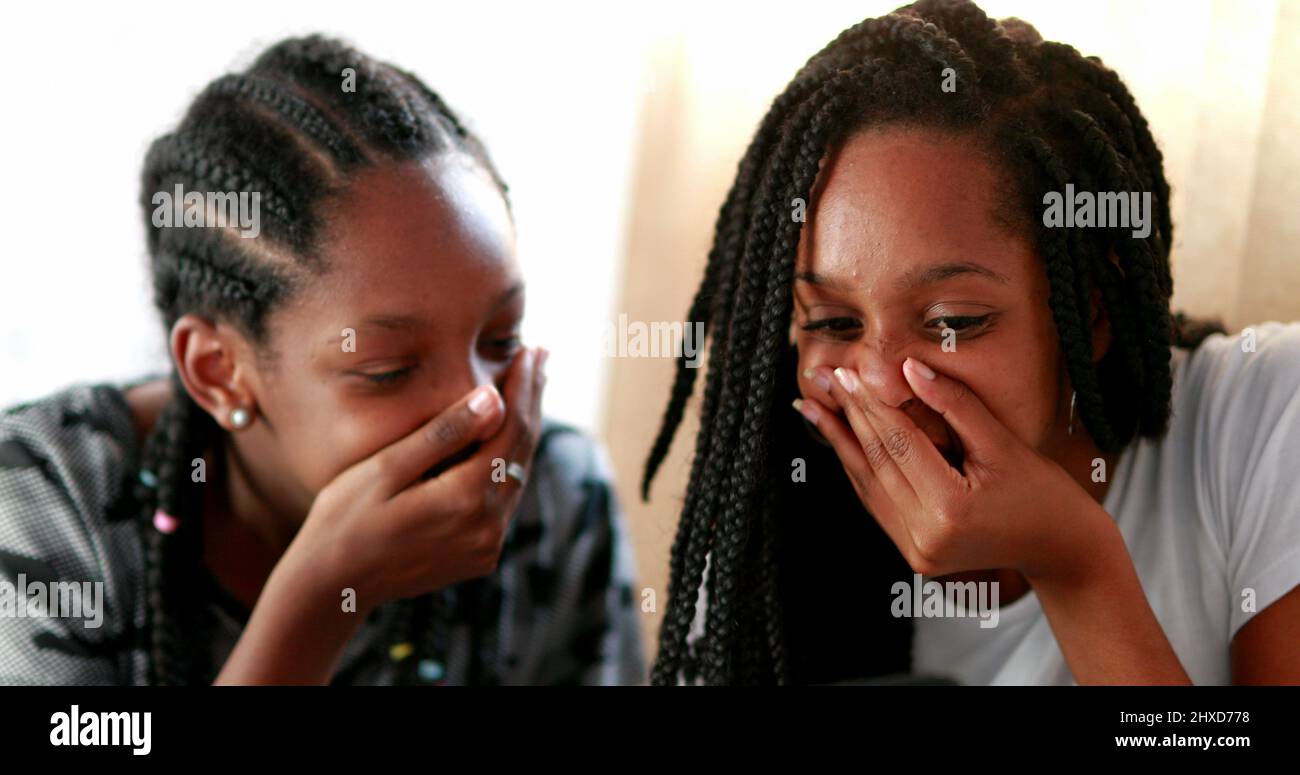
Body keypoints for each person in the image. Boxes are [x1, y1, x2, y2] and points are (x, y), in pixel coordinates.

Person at [642, 0, 1300, 685]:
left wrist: (1075, 565)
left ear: (1094, 312)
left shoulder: (1267, 422)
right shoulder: (774, 531)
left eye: (953, 321)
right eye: (834, 323)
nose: (884, 385)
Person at [0, 35, 644, 685]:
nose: (484, 406)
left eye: (500, 338)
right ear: (219, 372)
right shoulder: (39, 509)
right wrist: (325, 596)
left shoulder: (555, 495)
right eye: (389, 368)